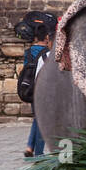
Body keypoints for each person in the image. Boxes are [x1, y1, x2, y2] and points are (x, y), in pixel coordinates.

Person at [24, 24, 50, 157]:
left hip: (30, 87)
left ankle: (29, 147)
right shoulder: (46, 54)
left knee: (37, 118)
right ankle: (38, 151)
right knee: (41, 120)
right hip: (42, 89)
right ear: (47, 37)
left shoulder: (28, 52)